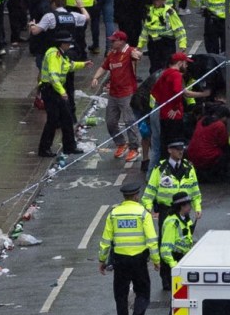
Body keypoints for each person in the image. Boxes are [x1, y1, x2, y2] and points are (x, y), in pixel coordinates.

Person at [99, 174, 159, 315]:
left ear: (125, 197)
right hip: (139, 260)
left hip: (120, 261)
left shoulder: (114, 214)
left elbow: (106, 241)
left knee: (121, 298)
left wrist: (102, 260)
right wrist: (156, 259)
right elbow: (151, 239)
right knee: (143, 293)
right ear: (136, 196)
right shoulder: (142, 214)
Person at [89, 32, 142, 161]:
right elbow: (103, 67)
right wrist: (95, 77)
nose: (111, 43)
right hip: (113, 93)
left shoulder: (129, 51)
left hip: (127, 93)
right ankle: (121, 143)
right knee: (111, 122)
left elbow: (137, 54)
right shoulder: (112, 54)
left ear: (122, 41)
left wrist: (137, 55)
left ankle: (134, 148)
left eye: (114, 41)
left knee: (129, 121)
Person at [37, 39, 91, 157]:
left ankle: (69, 147)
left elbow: (69, 65)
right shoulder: (54, 54)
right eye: (67, 43)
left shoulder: (62, 54)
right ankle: (44, 149)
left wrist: (83, 64)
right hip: (51, 90)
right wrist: (62, 92)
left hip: (57, 90)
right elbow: (53, 76)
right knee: (53, 120)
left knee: (67, 118)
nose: (69, 45)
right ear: (62, 44)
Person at [144, 136, 202, 219]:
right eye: (177, 149)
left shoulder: (189, 168)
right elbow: (150, 190)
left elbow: (195, 191)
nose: (180, 152)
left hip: (183, 212)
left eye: (182, 149)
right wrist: (148, 207)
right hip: (165, 212)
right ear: (169, 150)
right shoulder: (160, 169)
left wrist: (197, 207)